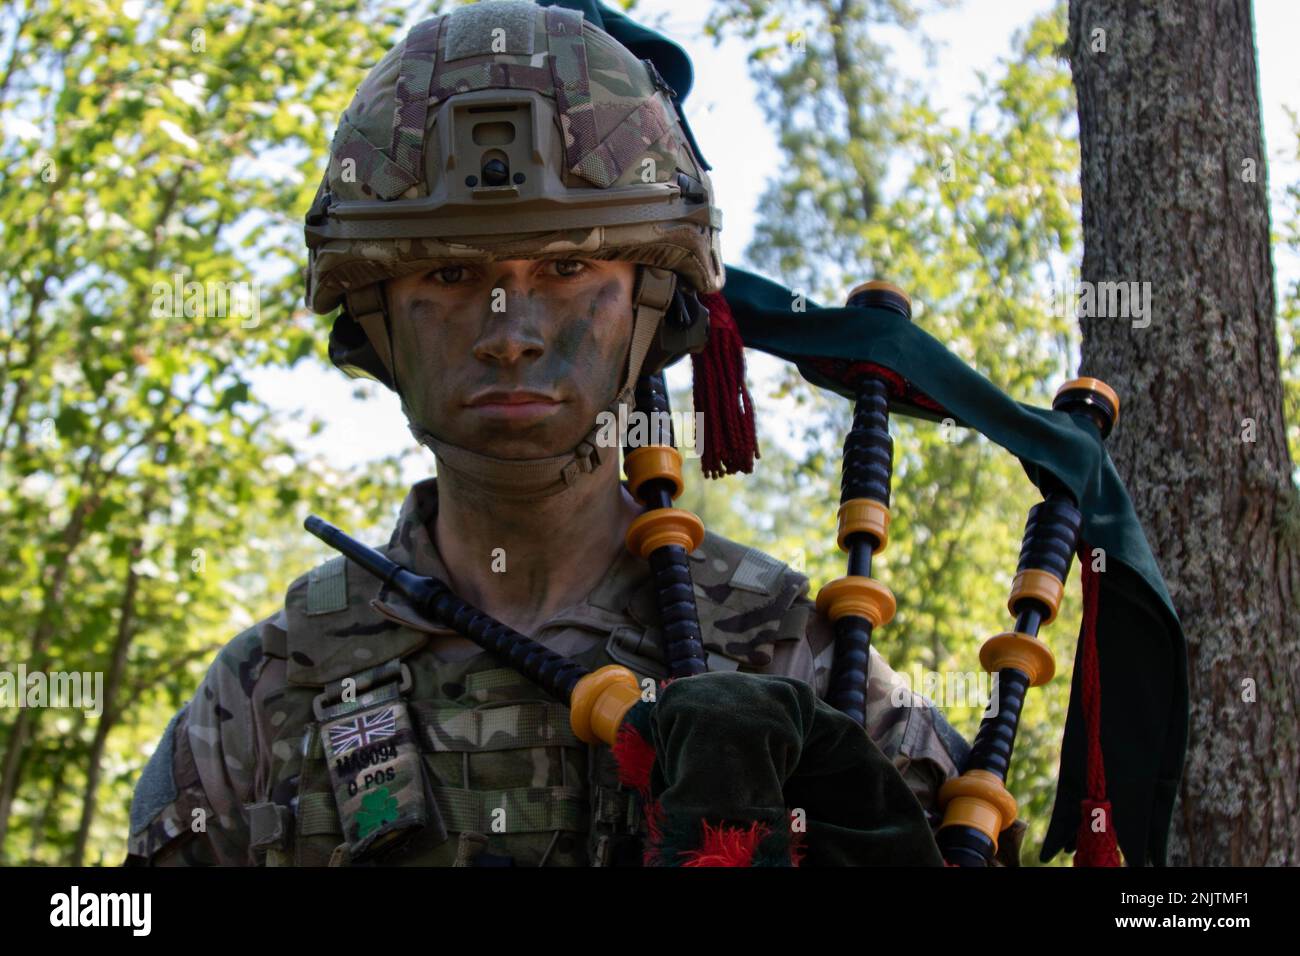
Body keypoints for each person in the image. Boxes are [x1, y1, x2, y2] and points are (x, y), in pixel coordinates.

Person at [126, 0, 986, 867]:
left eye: (569, 268)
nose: (511, 331)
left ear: (652, 308)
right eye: (453, 273)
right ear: (374, 317)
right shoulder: (267, 689)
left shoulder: (791, 660)